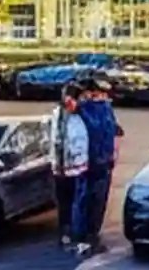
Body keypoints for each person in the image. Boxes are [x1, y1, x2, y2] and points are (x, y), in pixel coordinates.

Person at [75, 76, 121, 258]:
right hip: (92, 162)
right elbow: (99, 131)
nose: (102, 97)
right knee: (87, 200)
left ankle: (90, 235)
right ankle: (85, 237)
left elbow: (111, 131)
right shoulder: (88, 109)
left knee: (95, 200)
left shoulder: (102, 109)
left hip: (101, 161)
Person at [49, 81, 89, 250]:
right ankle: (65, 232)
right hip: (61, 168)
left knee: (77, 202)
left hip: (78, 167)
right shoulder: (58, 114)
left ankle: (76, 233)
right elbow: (55, 139)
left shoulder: (83, 114)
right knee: (65, 202)